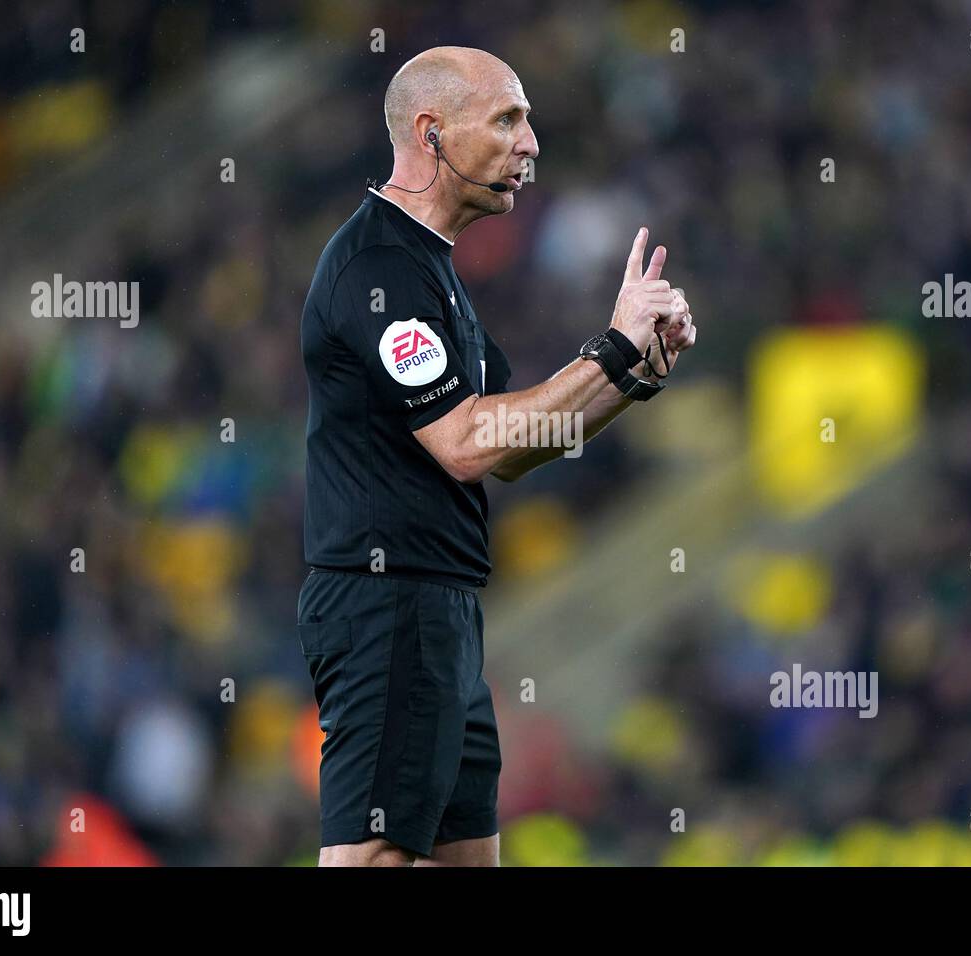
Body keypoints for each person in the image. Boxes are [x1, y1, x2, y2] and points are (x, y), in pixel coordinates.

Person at [297, 46, 698, 866]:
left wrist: (634, 374)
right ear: (431, 132)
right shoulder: (379, 268)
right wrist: (612, 347)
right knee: (375, 855)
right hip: (386, 605)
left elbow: (515, 448)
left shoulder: (431, 268)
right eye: (507, 119)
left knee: (466, 856)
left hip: (440, 608)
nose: (530, 143)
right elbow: (465, 443)